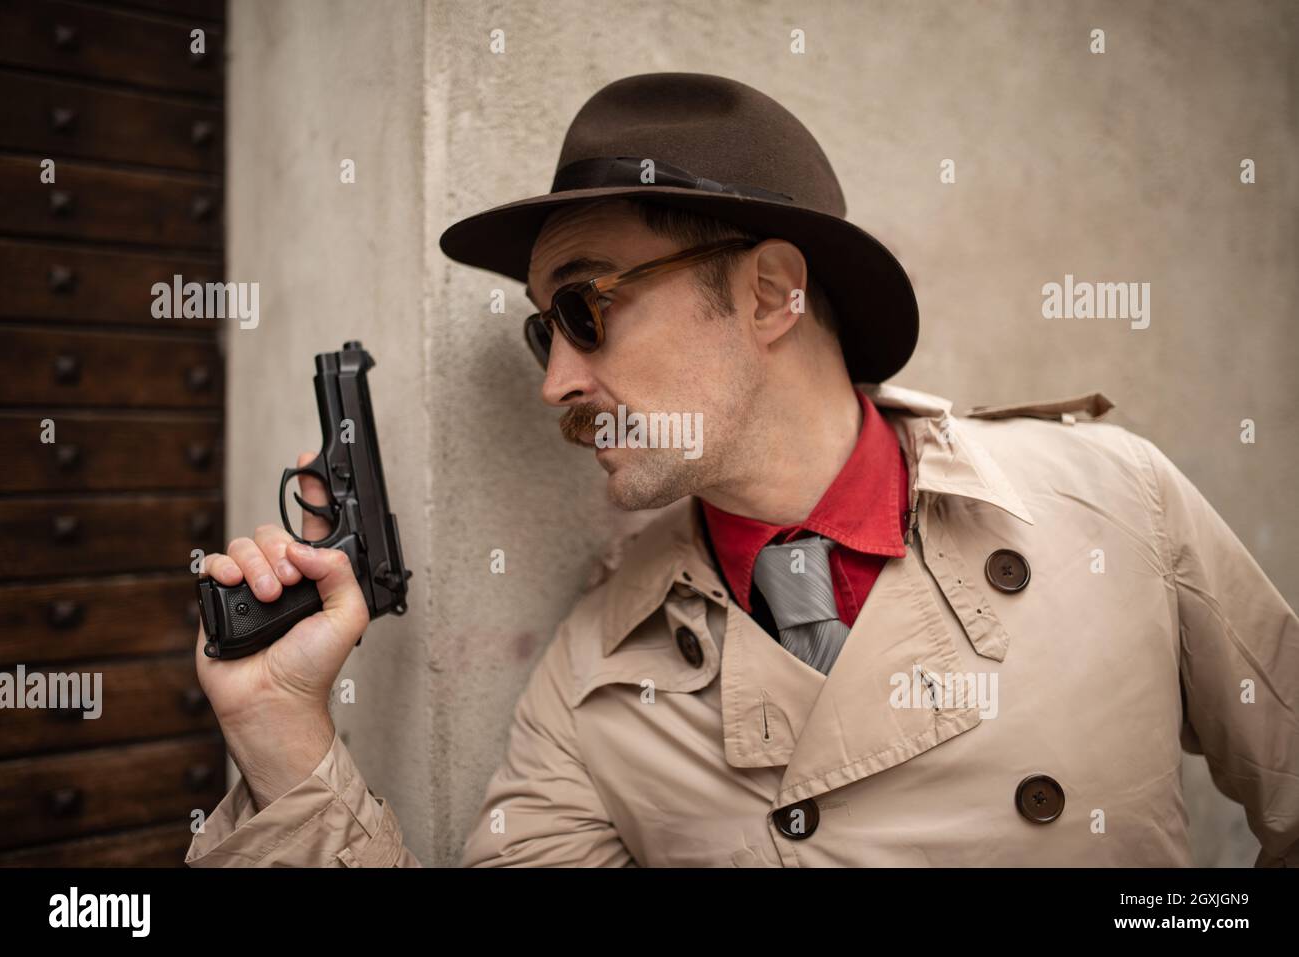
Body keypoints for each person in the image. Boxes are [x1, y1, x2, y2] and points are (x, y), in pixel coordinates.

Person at [185, 73, 1298, 867]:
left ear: (770, 293)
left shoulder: (1113, 502)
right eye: (542, 334)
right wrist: (287, 746)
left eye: (584, 310)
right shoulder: (592, 666)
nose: (555, 384)